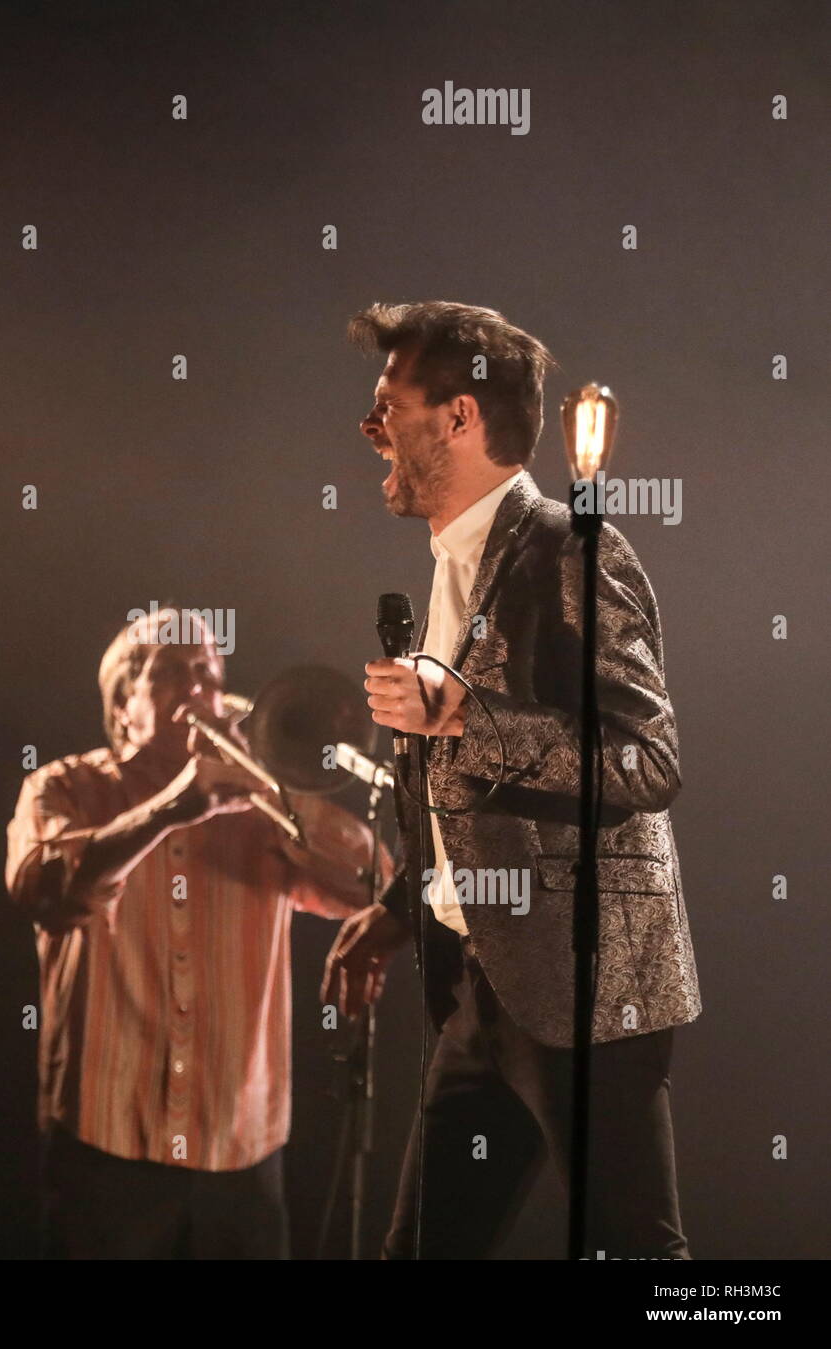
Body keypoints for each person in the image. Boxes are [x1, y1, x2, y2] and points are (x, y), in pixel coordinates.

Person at [323, 301, 700, 1259]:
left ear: (458, 417)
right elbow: (461, 807)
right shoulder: (454, 564)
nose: (369, 429)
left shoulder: (570, 548)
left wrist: (466, 717)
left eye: (387, 407)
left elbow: (646, 760)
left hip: (589, 983)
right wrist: (406, 909)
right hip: (480, 990)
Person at [6, 609, 389, 1258]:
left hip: (240, 1147)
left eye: (209, 674)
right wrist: (172, 807)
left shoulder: (260, 805)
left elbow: (374, 884)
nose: (196, 690)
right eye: (170, 672)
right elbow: (44, 890)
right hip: (107, 1142)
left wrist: (277, 773)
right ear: (123, 705)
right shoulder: (63, 785)